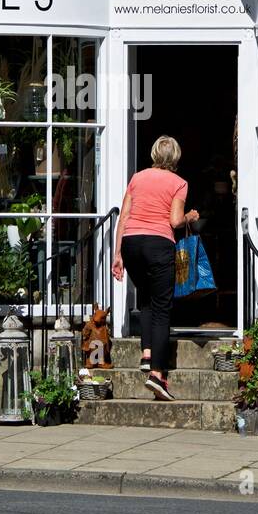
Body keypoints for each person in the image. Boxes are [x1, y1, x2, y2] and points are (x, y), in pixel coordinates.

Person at [111, 135, 198, 401]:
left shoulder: (137, 177)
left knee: (146, 299)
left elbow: (124, 216)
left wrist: (117, 254)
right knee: (162, 308)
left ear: (154, 154)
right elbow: (173, 221)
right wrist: (190, 217)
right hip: (158, 244)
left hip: (131, 243)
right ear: (176, 157)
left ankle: (147, 353)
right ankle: (157, 375)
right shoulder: (179, 183)